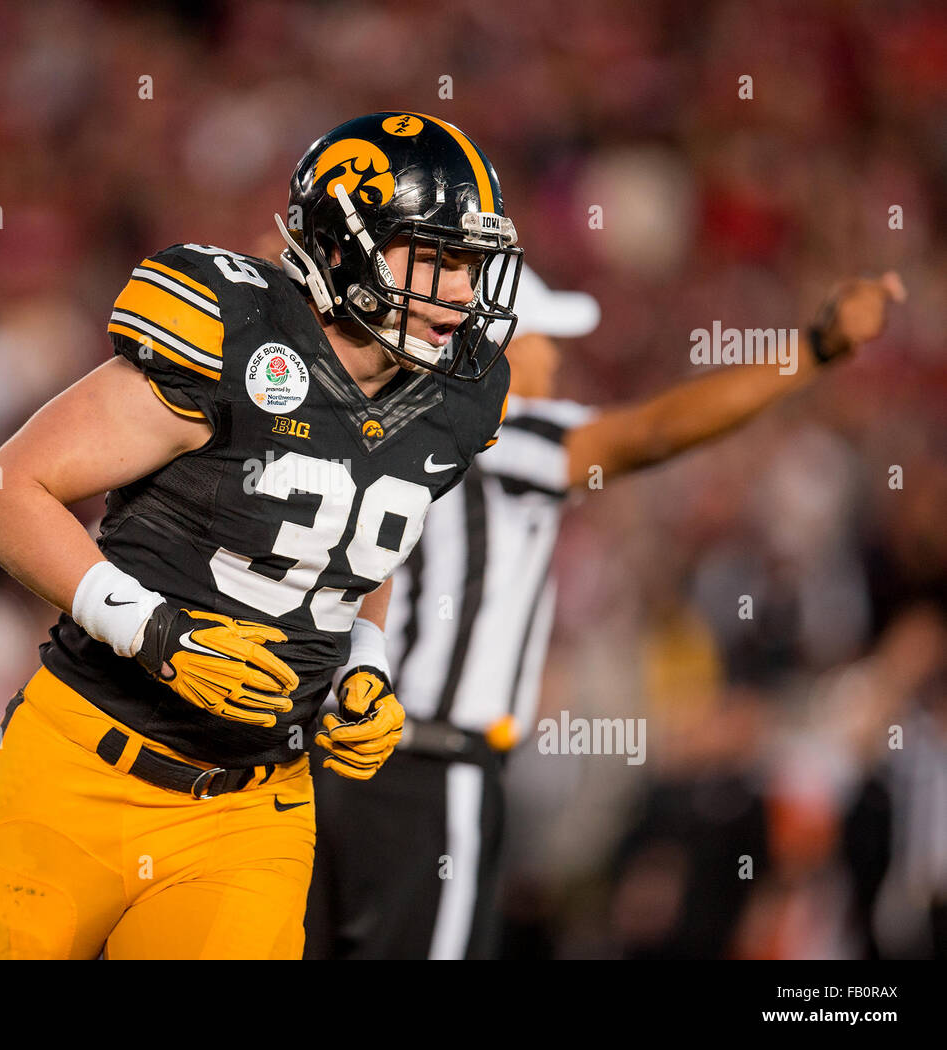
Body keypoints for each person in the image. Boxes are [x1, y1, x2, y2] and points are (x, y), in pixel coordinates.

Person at [0, 111, 526, 959]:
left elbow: (362, 541)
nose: (464, 294)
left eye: (473, 266)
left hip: (253, 811)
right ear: (345, 245)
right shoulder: (235, 332)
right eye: (441, 259)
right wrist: (155, 633)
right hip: (80, 768)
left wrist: (367, 663)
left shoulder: (456, 396)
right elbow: (0, 493)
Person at [304, 266, 907, 959]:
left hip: (337, 760)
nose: (557, 359)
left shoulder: (381, 420)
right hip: (431, 771)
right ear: (499, 347)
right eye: (544, 339)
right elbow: (649, 433)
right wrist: (813, 350)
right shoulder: (497, 436)